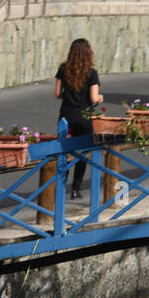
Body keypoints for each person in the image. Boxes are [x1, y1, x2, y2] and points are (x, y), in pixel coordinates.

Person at [55, 38, 101, 199]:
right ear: (88, 53)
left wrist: (70, 95)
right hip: (84, 118)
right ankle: (75, 189)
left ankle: (59, 190)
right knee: (83, 154)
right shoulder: (91, 73)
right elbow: (94, 98)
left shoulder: (63, 69)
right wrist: (100, 98)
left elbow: (57, 94)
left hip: (66, 117)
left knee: (65, 153)